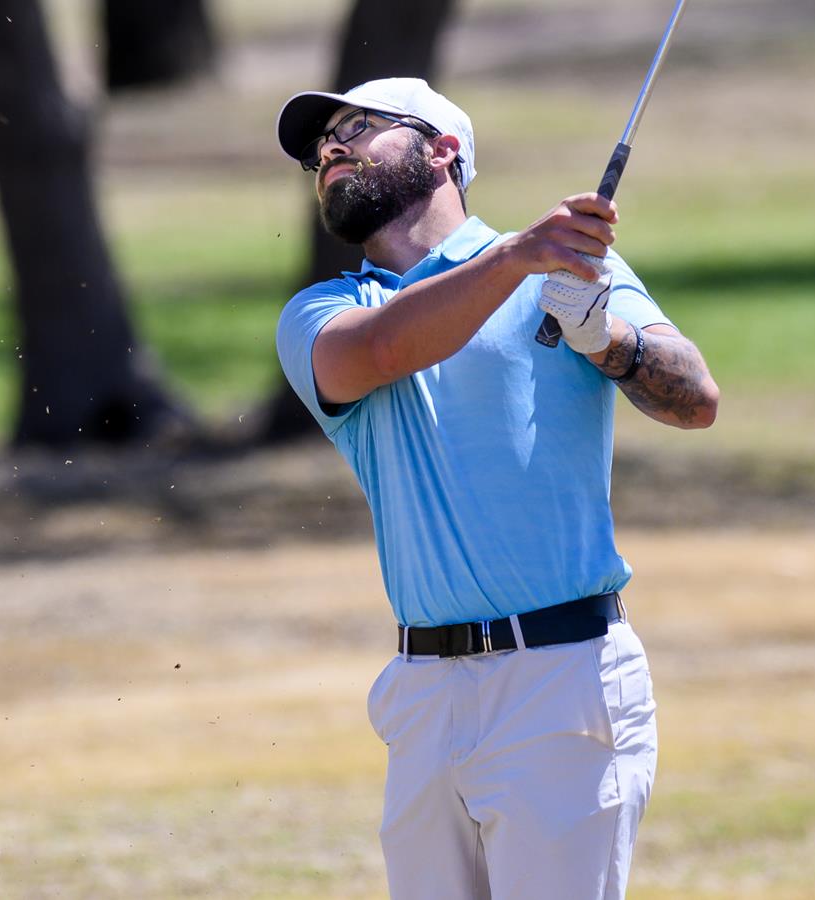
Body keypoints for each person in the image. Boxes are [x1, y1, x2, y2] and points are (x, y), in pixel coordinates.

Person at [273, 78, 719, 899]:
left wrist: (606, 339)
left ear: (443, 149)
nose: (330, 150)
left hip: (562, 676)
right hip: (422, 693)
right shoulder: (322, 310)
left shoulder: (579, 269)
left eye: (358, 128)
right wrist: (515, 258)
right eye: (319, 146)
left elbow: (696, 399)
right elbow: (375, 355)